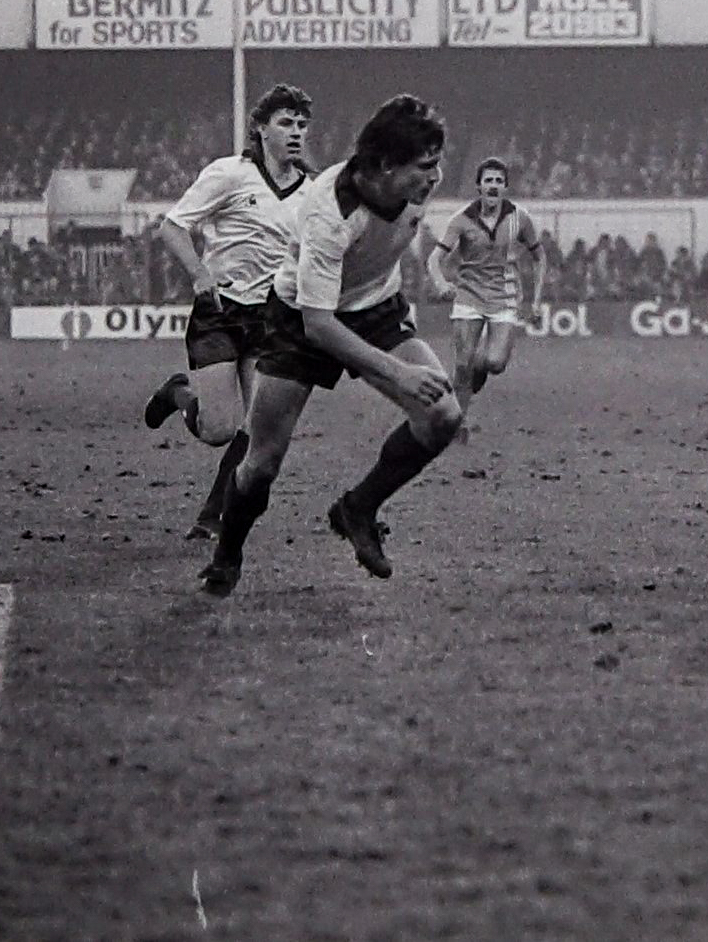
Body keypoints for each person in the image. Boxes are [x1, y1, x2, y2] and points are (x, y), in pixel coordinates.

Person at [199, 94, 462, 597]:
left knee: (443, 416)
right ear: (385, 166)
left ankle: (358, 508)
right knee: (262, 464)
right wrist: (398, 372)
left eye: (437, 164)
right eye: (424, 166)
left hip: (377, 309)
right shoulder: (329, 216)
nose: (435, 177)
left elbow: (389, 239)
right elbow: (320, 325)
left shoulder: (415, 184)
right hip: (300, 320)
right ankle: (227, 553)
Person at [142, 83, 313, 540]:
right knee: (217, 429)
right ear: (261, 128)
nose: (296, 132)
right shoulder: (230, 174)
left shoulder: (312, 194)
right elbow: (173, 227)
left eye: (301, 124)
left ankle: (213, 513)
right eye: (285, 123)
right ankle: (181, 393)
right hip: (220, 312)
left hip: (272, 322)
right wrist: (200, 274)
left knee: (259, 429)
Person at [424, 155, 544, 444]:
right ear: (478, 186)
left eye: (498, 181)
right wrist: (441, 283)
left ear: (505, 187)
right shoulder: (461, 219)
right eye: (488, 180)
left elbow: (540, 257)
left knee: (495, 363)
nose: (493, 186)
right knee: (462, 365)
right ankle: (456, 426)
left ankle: (470, 372)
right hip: (468, 295)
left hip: (504, 297)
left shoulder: (520, 218)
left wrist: (536, 300)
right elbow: (434, 258)